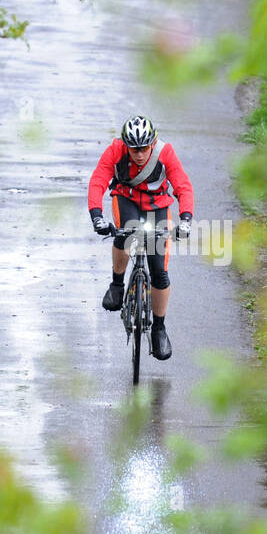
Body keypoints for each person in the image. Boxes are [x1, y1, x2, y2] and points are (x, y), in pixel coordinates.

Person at [87, 116, 194, 361]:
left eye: (144, 148)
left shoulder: (165, 152)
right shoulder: (115, 150)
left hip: (157, 205)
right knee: (126, 234)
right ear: (126, 145)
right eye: (134, 149)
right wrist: (97, 216)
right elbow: (98, 181)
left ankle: (159, 328)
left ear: (152, 143)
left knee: (159, 270)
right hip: (126, 199)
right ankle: (117, 284)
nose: (139, 154)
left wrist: (186, 219)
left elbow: (182, 185)